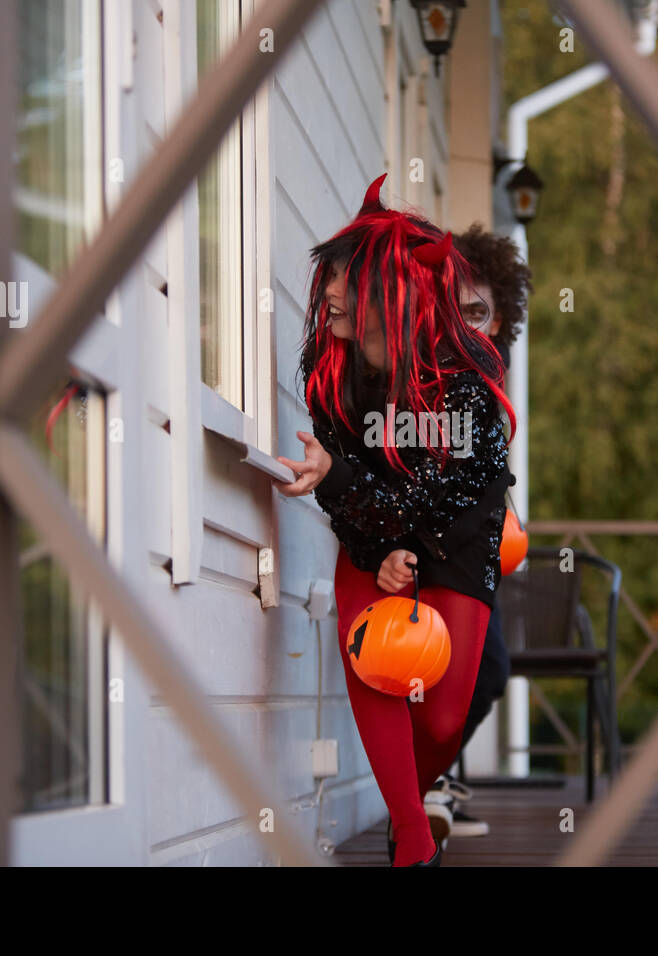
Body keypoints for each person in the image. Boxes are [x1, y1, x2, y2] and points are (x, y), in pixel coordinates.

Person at [275, 176, 516, 868]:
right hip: (371, 537)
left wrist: (400, 540)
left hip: (458, 539)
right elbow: (335, 486)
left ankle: (407, 801)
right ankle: (411, 836)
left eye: (344, 281)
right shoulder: (333, 377)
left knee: (441, 719)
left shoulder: (465, 379)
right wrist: (375, 546)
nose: (327, 294)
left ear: (389, 287)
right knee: (378, 662)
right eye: (328, 280)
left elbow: (455, 488)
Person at [421, 223, 532, 840]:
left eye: (479, 304)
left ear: (499, 311)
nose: (466, 313)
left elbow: (492, 450)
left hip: (476, 536)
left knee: (482, 672)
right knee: (446, 669)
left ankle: (432, 783)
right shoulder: (427, 359)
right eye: (456, 298)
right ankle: (421, 791)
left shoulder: (495, 361)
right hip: (423, 534)